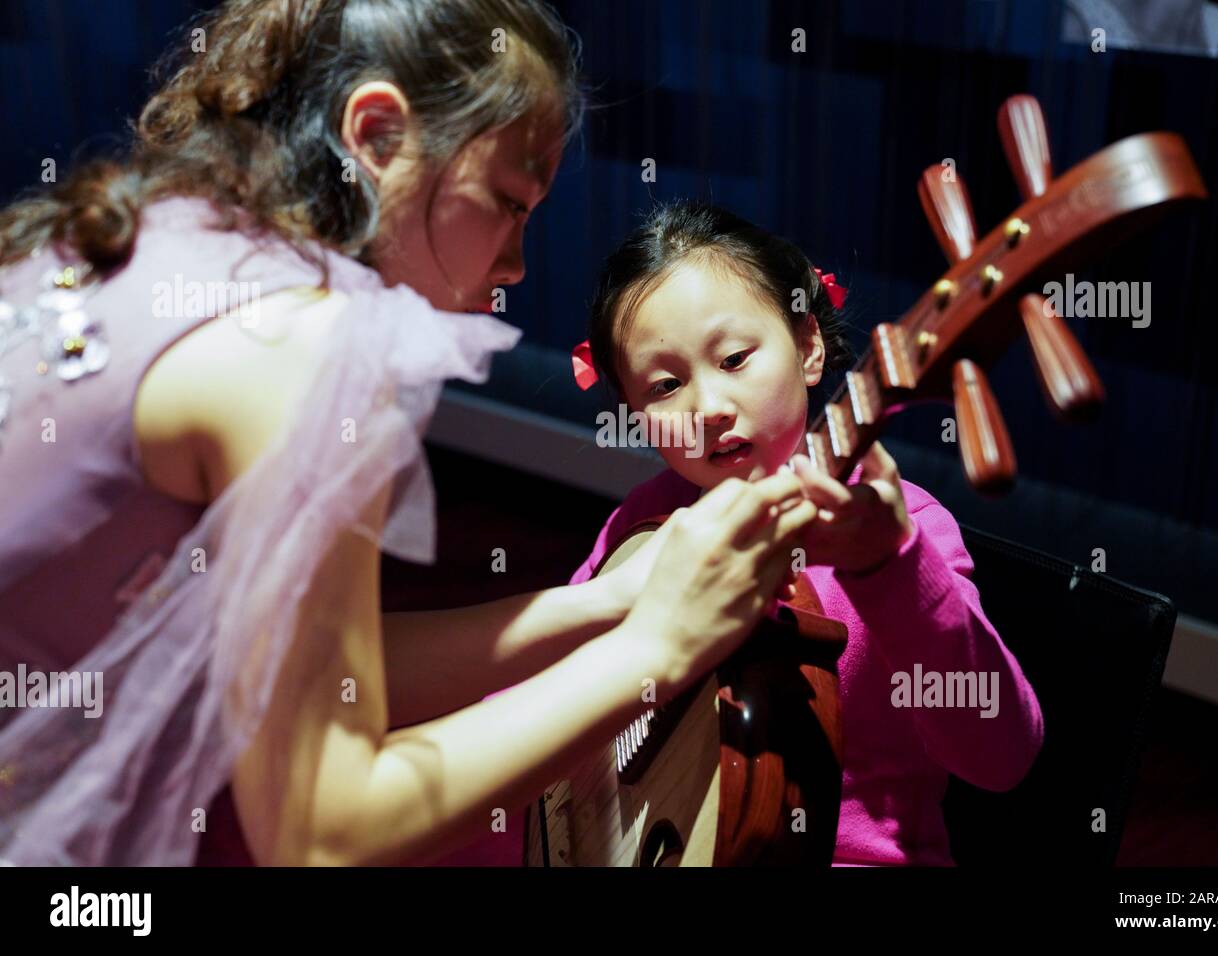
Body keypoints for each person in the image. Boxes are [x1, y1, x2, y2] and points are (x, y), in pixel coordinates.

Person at [0, 0, 816, 866]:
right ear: (378, 136)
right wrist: (661, 644)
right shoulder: (297, 346)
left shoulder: (155, 242)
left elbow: (314, 674)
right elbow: (322, 835)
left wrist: (604, 604)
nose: (515, 266)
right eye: (509, 201)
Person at [566, 201, 1045, 865]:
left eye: (734, 358)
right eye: (666, 384)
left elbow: (1004, 755)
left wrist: (889, 567)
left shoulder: (901, 525)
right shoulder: (644, 522)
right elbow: (547, 677)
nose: (708, 408)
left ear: (809, 345)